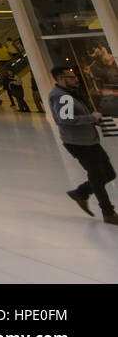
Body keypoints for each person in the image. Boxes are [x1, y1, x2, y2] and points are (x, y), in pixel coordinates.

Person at [48, 65, 118, 225]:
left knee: (109, 174)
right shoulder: (61, 96)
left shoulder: (70, 94)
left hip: (89, 141)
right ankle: (108, 212)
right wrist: (91, 118)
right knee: (97, 176)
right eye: (71, 77)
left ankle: (81, 192)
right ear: (61, 79)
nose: (76, 79)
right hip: (79, 144)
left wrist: (94, 120)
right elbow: (65, 119)